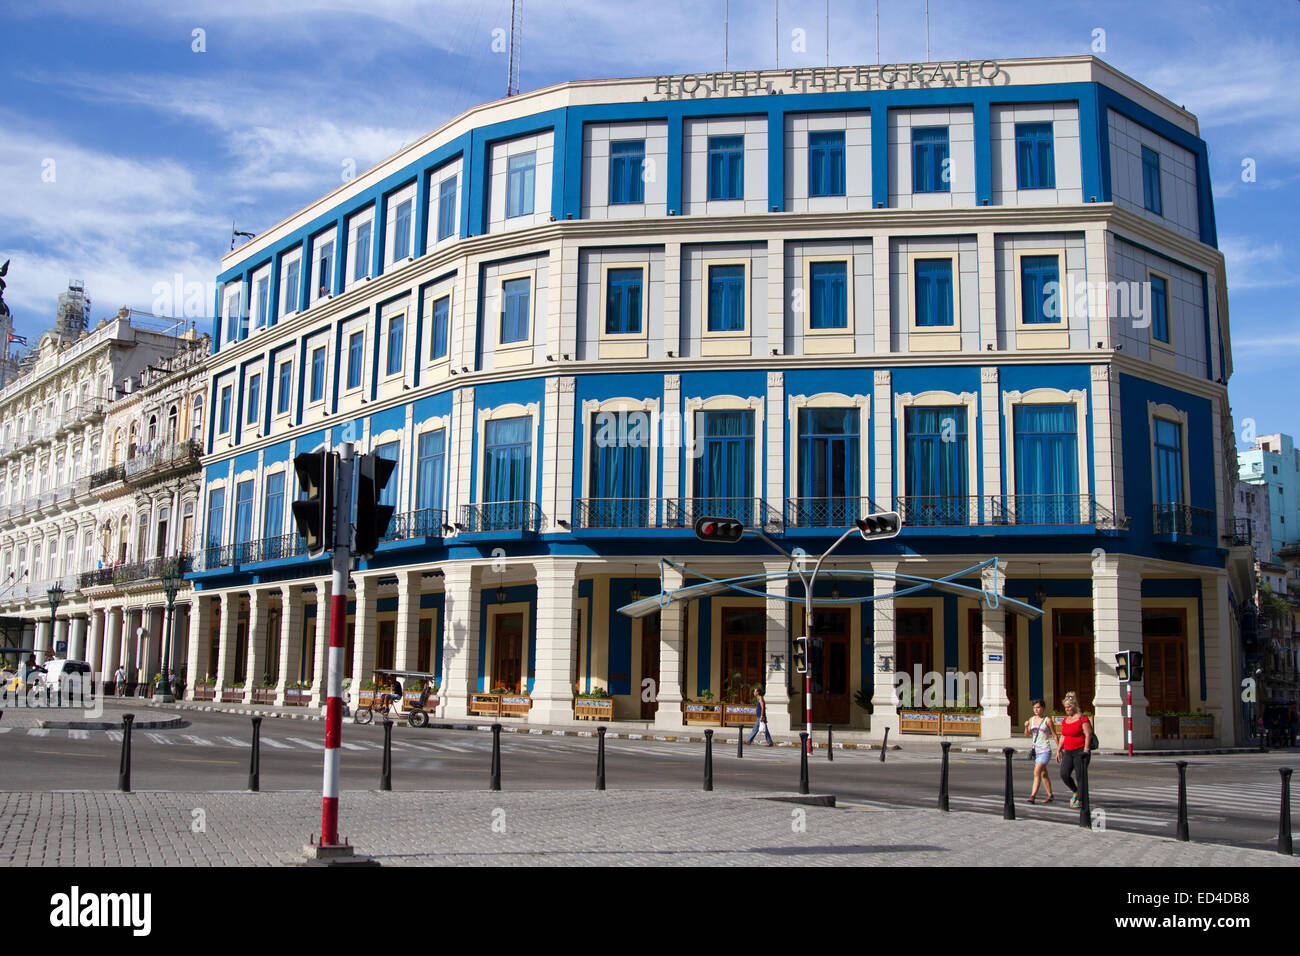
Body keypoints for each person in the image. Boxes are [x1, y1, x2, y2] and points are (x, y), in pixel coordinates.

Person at [1057, 691, 1093, 808]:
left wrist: (1086, 749)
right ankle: (1076, 791)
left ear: (1074, 706)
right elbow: (1063, 735)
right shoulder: (1066, 720)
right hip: (1068, 751)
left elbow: (1088, 734)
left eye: (1068, 707)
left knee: (1080, 776)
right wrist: (1059, 749)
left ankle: (1081, 799)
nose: (1067, 709)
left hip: (1080, 751)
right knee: (1064, 773)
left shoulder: (1082, 718)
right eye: (1065, 707)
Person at [1024, 699, 1056, 804]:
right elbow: (1027, 734)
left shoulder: (1047, 720)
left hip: (1045, 750)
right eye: (1034, 708)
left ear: (1043, 708)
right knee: (1043, 774)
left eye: (1038, 707)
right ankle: (1050, 795)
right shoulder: (1031, 719)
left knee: (1036, 771)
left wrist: (1060, 749)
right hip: (1036, 750)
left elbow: (1054, 735)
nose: (1036, 709)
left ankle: (1032, 796)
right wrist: (1026, 726)